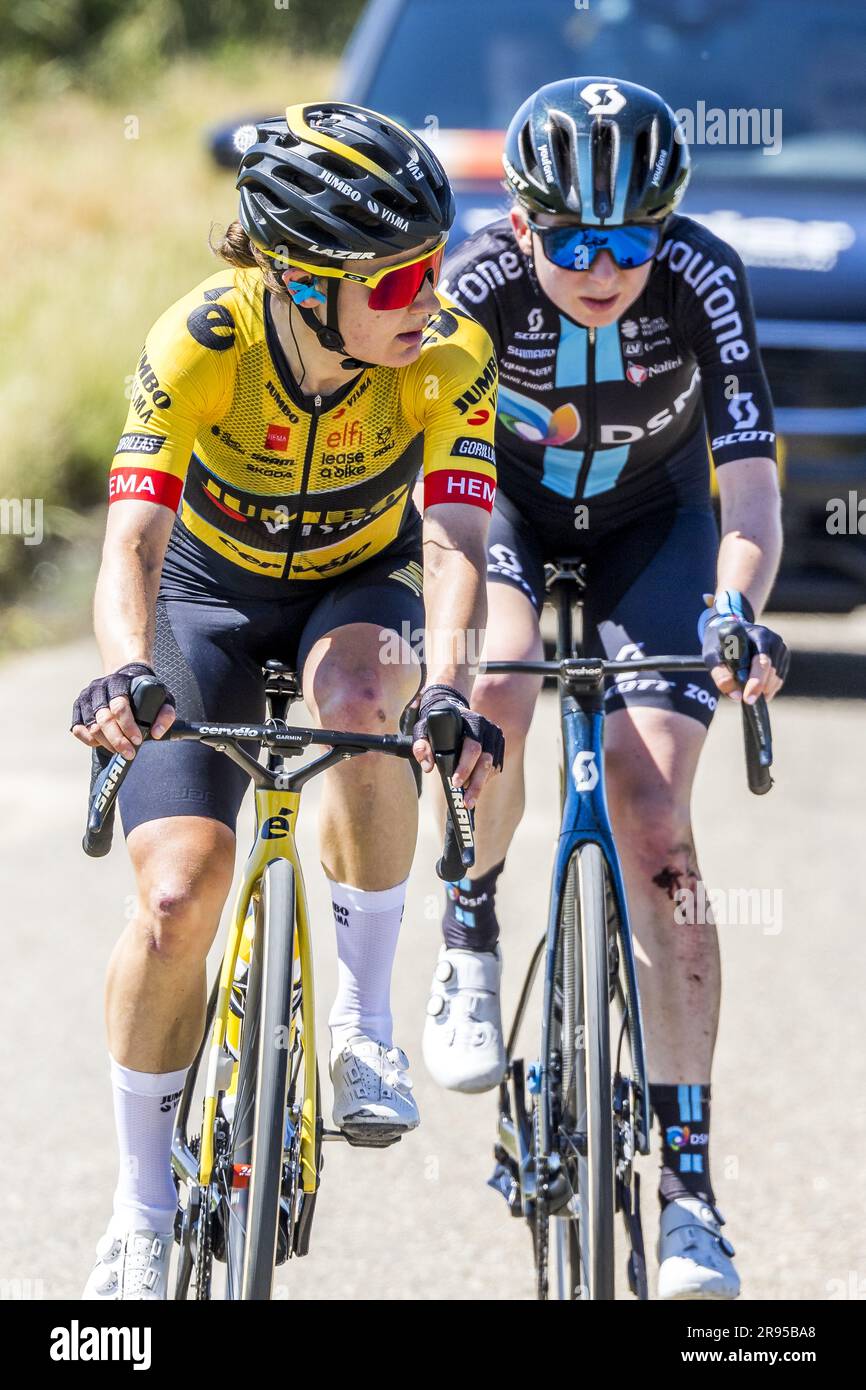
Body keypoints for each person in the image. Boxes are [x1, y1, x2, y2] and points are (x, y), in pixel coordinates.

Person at [72, 101, 504, 1300]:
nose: (431, 293)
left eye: (436, 256)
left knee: (370, 698)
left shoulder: (451, 355)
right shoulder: (200, 340)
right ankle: (140, 1211)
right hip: (206, 598)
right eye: (401, 275)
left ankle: (365, 1031)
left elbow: (458, 536)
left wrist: (454, 687)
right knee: (172, 895)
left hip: (356, 588)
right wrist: (125, 670)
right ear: (309, 285)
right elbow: (134, 542)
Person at [422, 77, 790, 1300]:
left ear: (664, 229)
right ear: (520, 224)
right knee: (502, 691)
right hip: (510, 520)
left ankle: (688, 1193)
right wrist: (455, 656)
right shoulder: (472, 284)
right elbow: (454, 523)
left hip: (657, 526)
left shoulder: (703, 273)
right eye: (571, 240)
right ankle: (468, 922)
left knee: (654, 819)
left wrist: (737, 611)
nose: (601, 266)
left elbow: (747, 490)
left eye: (629, 241)